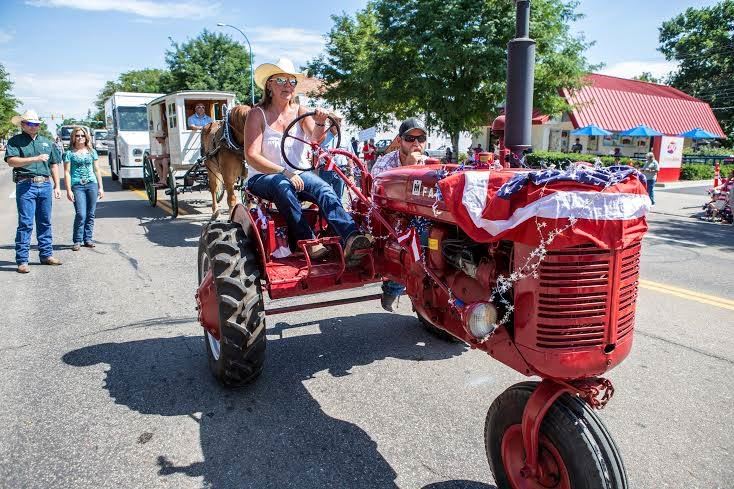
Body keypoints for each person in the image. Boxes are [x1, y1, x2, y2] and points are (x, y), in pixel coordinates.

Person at [243, 57, 371, 260]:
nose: (288, 85)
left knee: (324, 189)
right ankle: (308, 242)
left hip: (299, 174)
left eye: (292, 81)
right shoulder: (256, 114)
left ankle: (352, 237)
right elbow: (251, 156)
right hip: (264, 177)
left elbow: (315, 140)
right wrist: (284, 172)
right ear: (269, 84)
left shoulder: (300, 111)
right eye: (281, 80)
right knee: (281, 185)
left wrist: (320, 122)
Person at [371, 117, 428, 311]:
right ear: (399, 140)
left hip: (420, 215)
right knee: (418, 239)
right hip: (389, 217)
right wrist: (409, 169)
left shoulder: (429, 163)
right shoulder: (384, 163)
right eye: (410, 139)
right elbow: (377, 198)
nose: (416, 143)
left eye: (421, 138)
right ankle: (394, 287)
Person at [5, 110, 63, 273]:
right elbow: (11, 161)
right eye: (30, 124)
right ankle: (22, 260)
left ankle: (46, 255)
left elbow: (53, 165)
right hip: (25, 184)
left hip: (44, 184)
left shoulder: (46, 141)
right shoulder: (15, 141)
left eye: (36, 124)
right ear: (23, 125)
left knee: (45, 221)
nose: (34, 126)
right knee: (26, 223)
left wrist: (57, 186)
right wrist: (34, 159)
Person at [63, 127, 104, 250]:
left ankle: (88, 239)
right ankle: (77, 240)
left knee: (91, 214)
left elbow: (97, 170)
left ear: (86, 137)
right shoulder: (69, 153)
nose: (80, 137)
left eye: (82, 135)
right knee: (81, 213)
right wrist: (68, 190)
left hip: (92, 184)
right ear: (73, 138)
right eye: (77, 135)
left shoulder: (92, 152)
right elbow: (67, 172)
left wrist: (101, 187)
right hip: (77, 185)